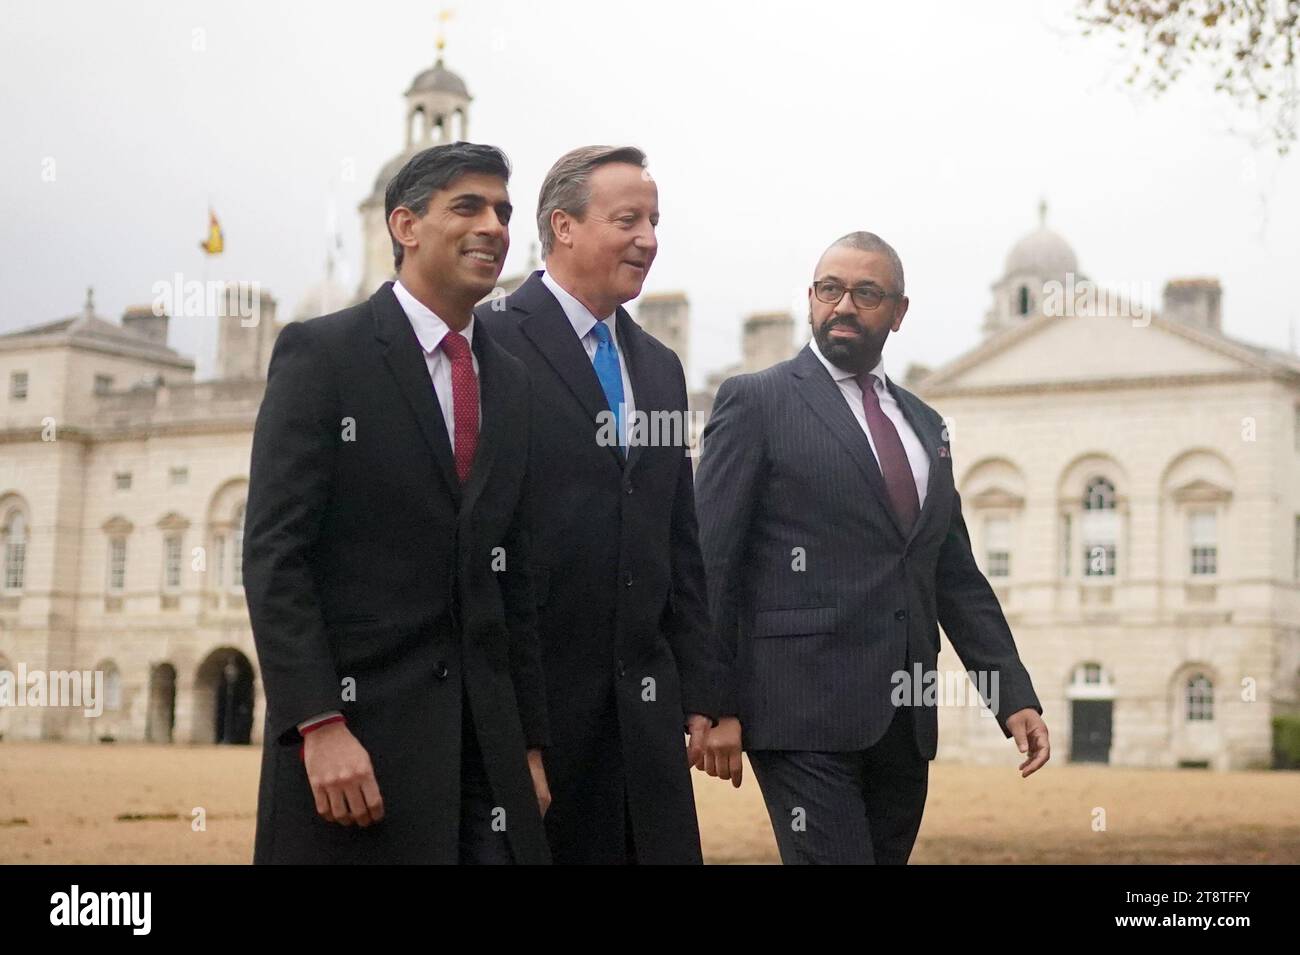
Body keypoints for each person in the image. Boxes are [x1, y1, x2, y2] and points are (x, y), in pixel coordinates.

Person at [695, 231, 1050, 864]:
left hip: (904, 724)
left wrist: (1011, 694)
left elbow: (953, 574)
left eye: (866, 293)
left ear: (899, 312)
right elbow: (712, 560)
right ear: (810, 298)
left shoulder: (926, 424)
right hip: (797, 714)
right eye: (830, 289)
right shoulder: (756, 402)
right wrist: (710, 701)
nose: (844, 306)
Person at [244, 142, 550, 864]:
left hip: (488, 760)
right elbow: (275, 554)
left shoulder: (511, 379)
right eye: (468, 206)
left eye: (503, 211)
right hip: (357, 746)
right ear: (405, 225)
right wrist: (318, 723)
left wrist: (529, 744)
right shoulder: (323, 354)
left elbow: (515, 576)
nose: (495, 226)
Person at [475, 146, 718, 864]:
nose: (648, 237)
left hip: (645, 724)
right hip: (538, 714)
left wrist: (703, 688)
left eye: (654, 220)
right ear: (565, 226)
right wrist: (512, 729)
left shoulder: (660, 366)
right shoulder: (489, 341)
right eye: (628, 219)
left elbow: (680, 539)